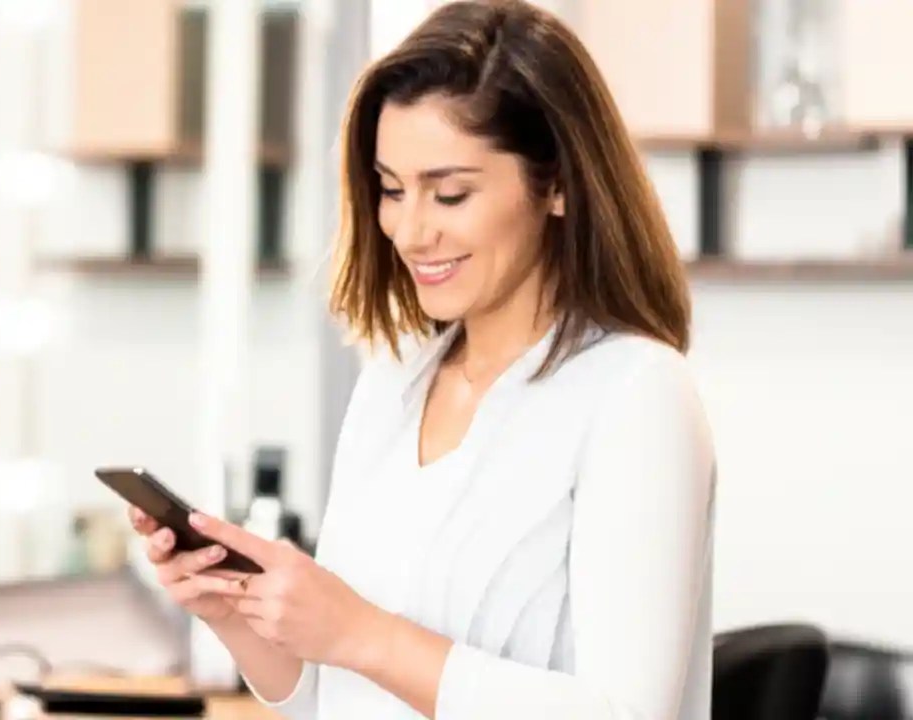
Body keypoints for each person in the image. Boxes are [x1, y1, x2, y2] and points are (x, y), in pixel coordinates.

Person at [129, 2, 714, 717]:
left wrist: (360, 632)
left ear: (557, 183)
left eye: (450, 193)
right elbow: (328, 697)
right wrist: (234, 611)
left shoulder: (636, 395)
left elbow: (626, 713)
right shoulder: (391, 386)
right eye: (392, 189)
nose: (410, 231)